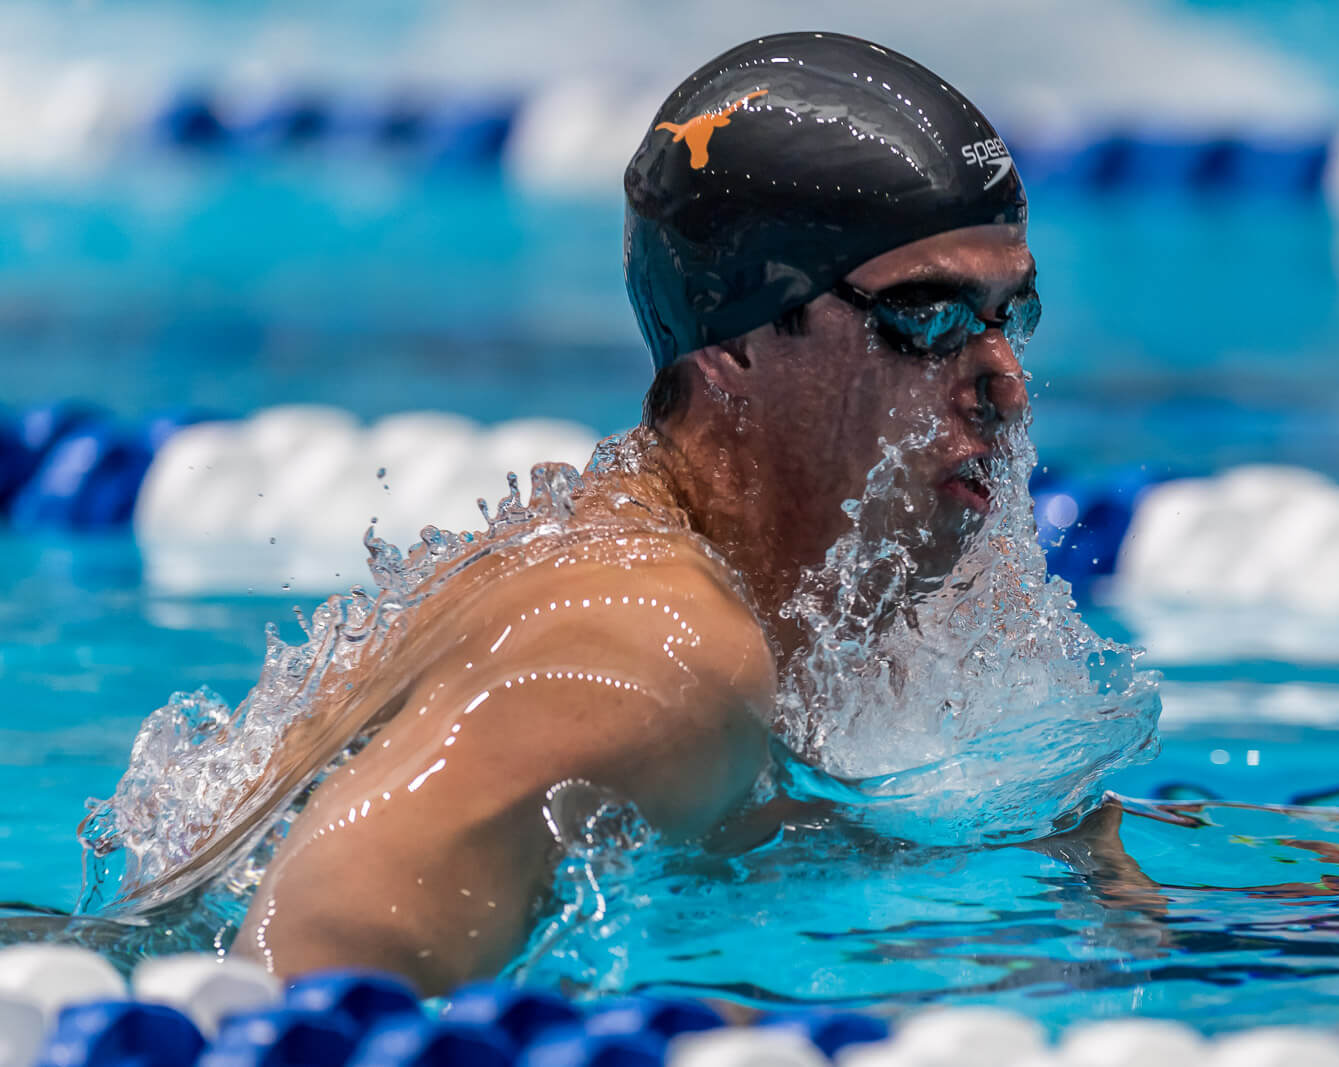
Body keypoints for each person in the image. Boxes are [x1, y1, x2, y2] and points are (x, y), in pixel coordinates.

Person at [225, 31, 1039, 992]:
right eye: (927, 315)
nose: (1005, 383)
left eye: (1008, 315)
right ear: (734, 337)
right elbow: (299, 997)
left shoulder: (772, 603)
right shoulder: (657, 656)